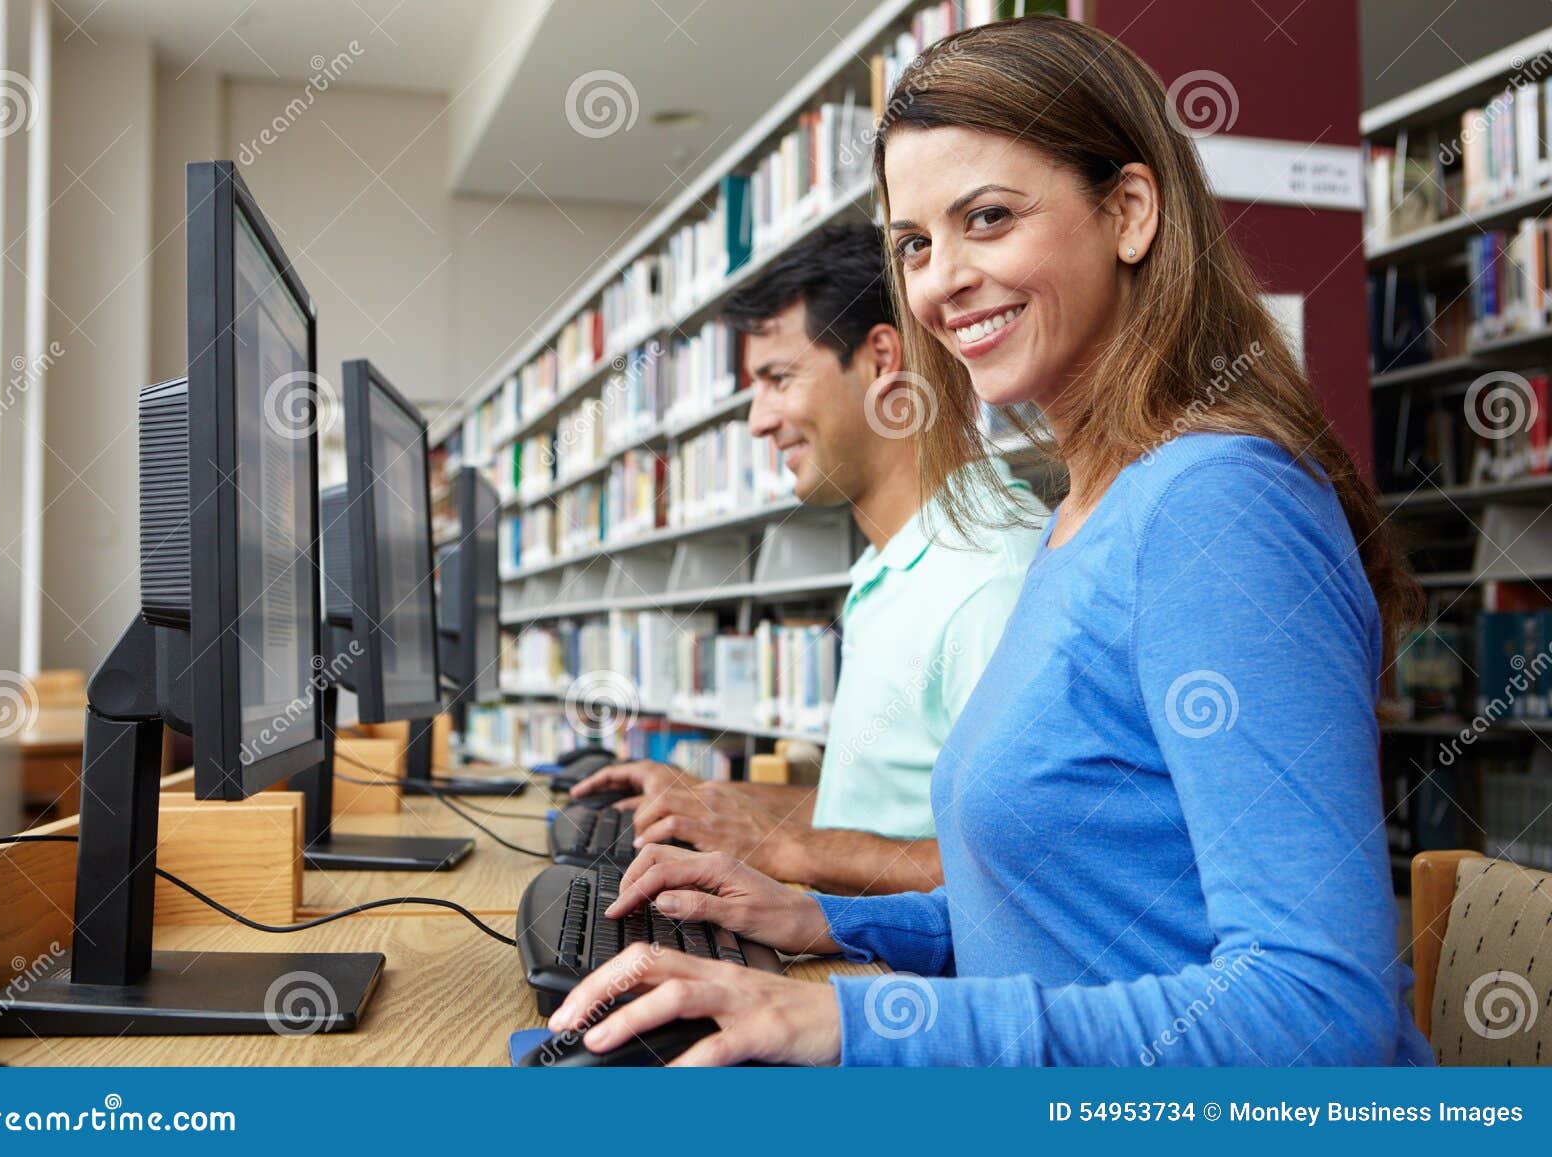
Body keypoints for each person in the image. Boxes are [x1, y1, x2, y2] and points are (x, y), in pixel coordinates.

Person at [549, 15, 1433, 1066]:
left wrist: (854, 1018)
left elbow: (1317, 1016)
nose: (941, 280)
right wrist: (824, 924)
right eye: (915, 244)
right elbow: (1071, 927)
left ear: (1131, 211)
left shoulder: (1215, 506)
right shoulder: (1080, 512)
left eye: (988, 218)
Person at [572, 223, 1044, 895]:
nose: (757, 421)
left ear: (881, 359)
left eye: (778, 378)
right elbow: (876, 819)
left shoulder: (989, 576)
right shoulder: (891, 568)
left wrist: (790, 849)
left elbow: (1024, 867)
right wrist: (712, 802)